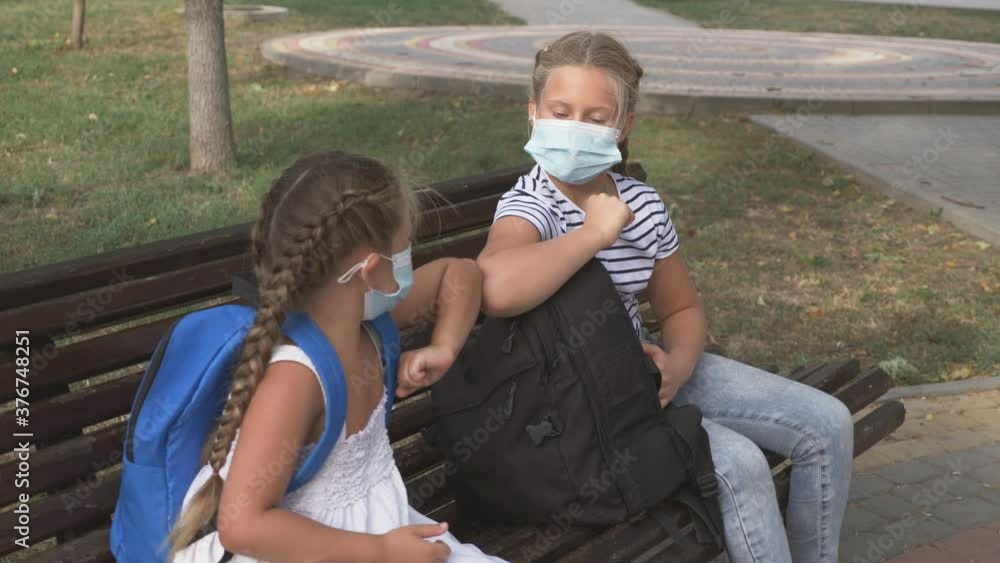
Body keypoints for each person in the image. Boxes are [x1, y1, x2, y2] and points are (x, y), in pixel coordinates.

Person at [476, 31, 853, 563]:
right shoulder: (531, 205)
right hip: (584, 401)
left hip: (649, 369)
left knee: (827, 422)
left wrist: (678, 363)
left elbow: (681, 308)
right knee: (740, 464)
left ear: (624, 126)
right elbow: (496, 289)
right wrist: (595, 234)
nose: (576, 128)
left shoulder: (642, 204)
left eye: (596, 116)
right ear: (533, 113)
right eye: (561, 111)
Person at [168, 151, 505, 563]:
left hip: (377, 533)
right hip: (304, 549)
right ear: (371, 272)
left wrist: (444, 347)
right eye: (405, 247)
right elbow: (242, 526)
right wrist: (379, 550)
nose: (410, 259)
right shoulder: (297, 379)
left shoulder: (369, 323)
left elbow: (460, 275)